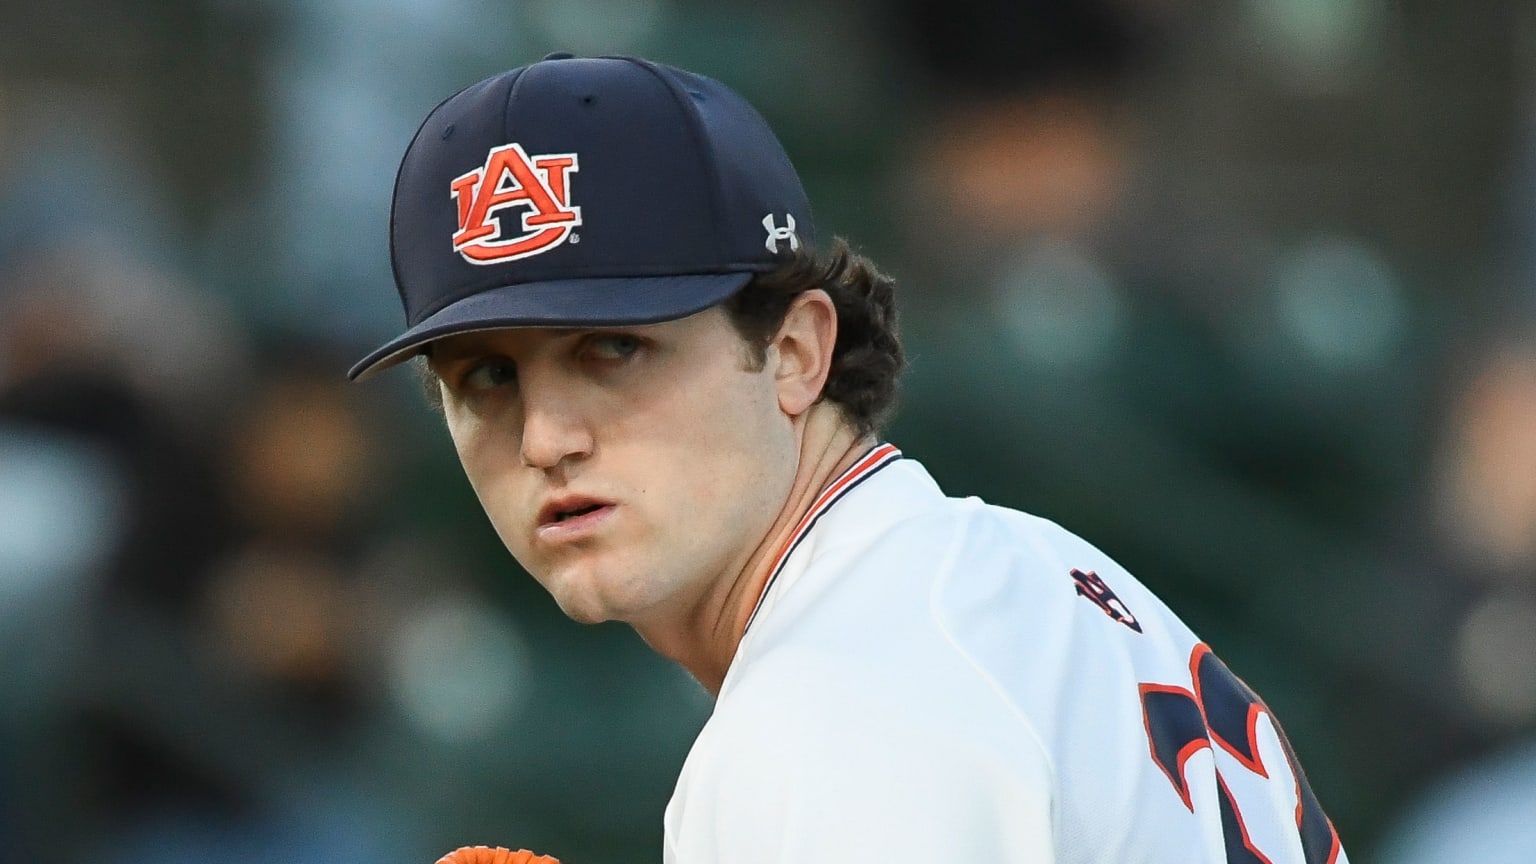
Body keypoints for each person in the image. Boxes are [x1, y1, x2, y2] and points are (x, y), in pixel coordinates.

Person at [350, 53, 1349, 864]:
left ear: (793, 352)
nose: (543, 438)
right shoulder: (1013, 578)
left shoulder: (834, 711)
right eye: (483, 377)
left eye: (613, 349)